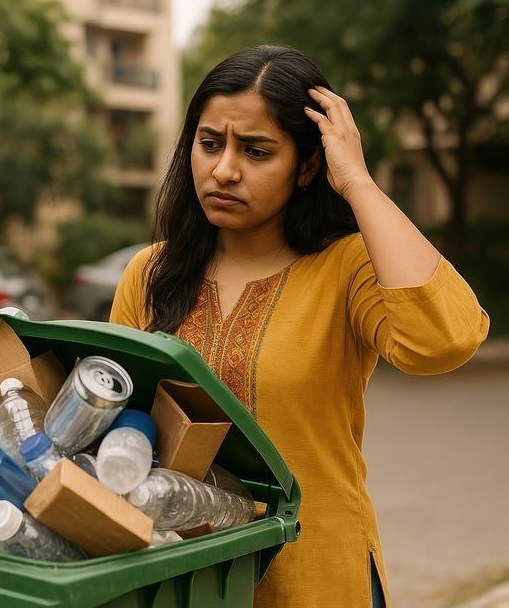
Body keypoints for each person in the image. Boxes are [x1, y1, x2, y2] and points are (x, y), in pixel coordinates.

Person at [111, 45, 489, 608]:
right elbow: (113, 430)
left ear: (308, 165)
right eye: (210, 144)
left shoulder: (346, 268)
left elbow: (443, 342)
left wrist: (357, 181)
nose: (224, 170)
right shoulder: (152, 274)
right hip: (182, 580)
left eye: (257, 152)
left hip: (316, 575)